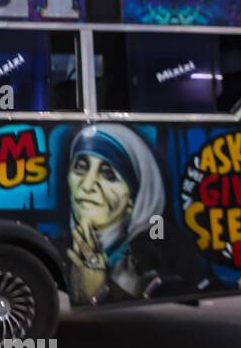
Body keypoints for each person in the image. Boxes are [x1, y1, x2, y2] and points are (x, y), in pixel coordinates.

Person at [64, 123, 165, 305]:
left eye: (108, 174)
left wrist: (101, 289)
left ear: (133, 199)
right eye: (80, 167)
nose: (87, 186)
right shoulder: (60, 245)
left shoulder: (143, 262)